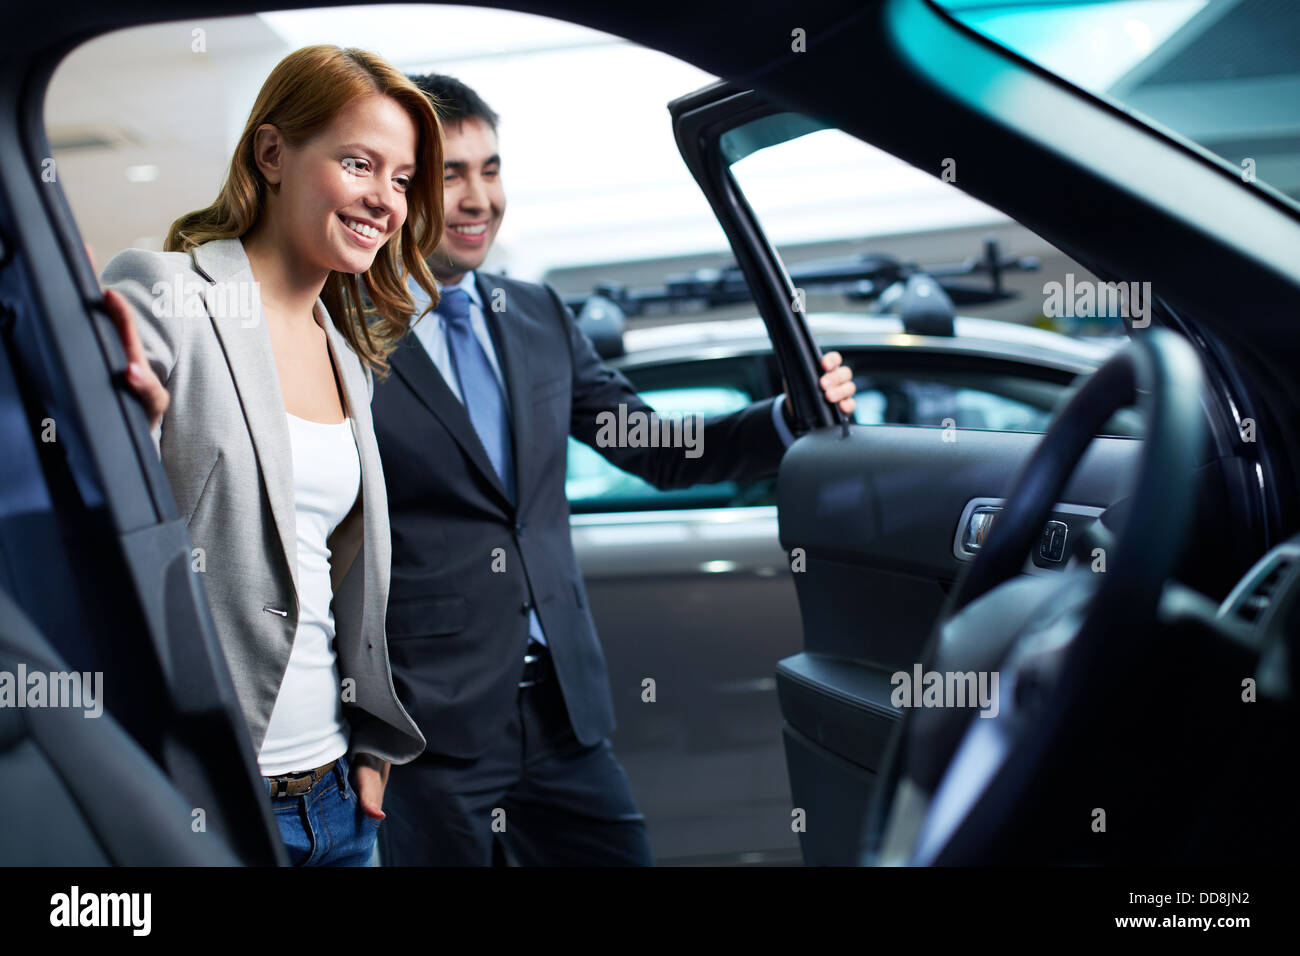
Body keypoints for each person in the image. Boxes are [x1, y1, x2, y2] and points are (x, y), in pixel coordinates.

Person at [371, 73, 856, 865]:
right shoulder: (341, 331)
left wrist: (786, 419)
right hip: (427, 727)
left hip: (563, 710)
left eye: (490, 170)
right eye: (449, 174)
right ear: (401, 187)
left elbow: (650, 446)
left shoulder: (534, 314)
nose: (477, 199)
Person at [99, 44, 444, 865]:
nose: (384, 201)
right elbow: (106, 516)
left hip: (336, 797)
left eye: (400, 179)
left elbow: (332, 575)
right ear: (272, 152)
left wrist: (371, 743)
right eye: (359, 163)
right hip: (212, 793)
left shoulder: (349, 356)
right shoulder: (166, 291)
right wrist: (123, 431)